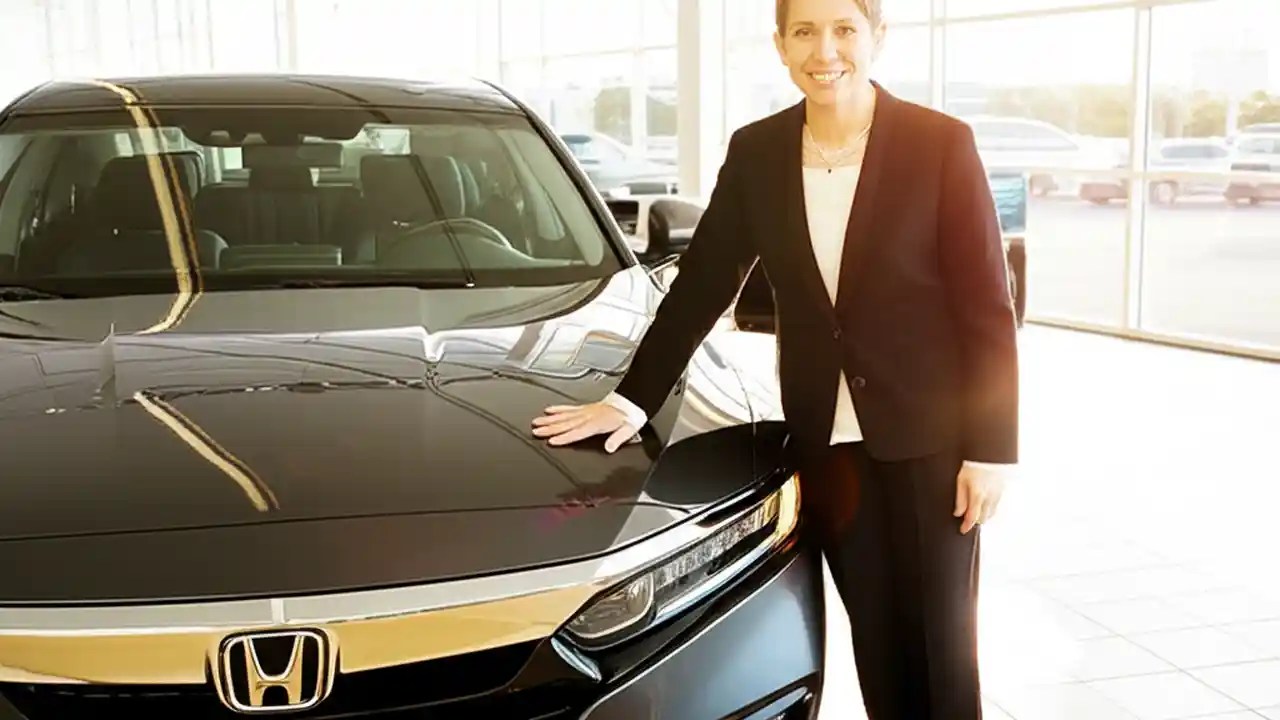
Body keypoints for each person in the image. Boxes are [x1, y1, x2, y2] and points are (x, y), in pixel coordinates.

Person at [531, 0, 1019, 717]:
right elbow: (703, 286)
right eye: (805, 32)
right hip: (829, 448)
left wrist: (992, 447)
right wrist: (629, 400)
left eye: (844, 29)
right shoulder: (758, 151)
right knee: (878, 646)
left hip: (934, 447)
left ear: (877, 37)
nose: (826, 50)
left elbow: (986, 305)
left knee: (942, 650)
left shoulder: (939, 143)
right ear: (781, 46)